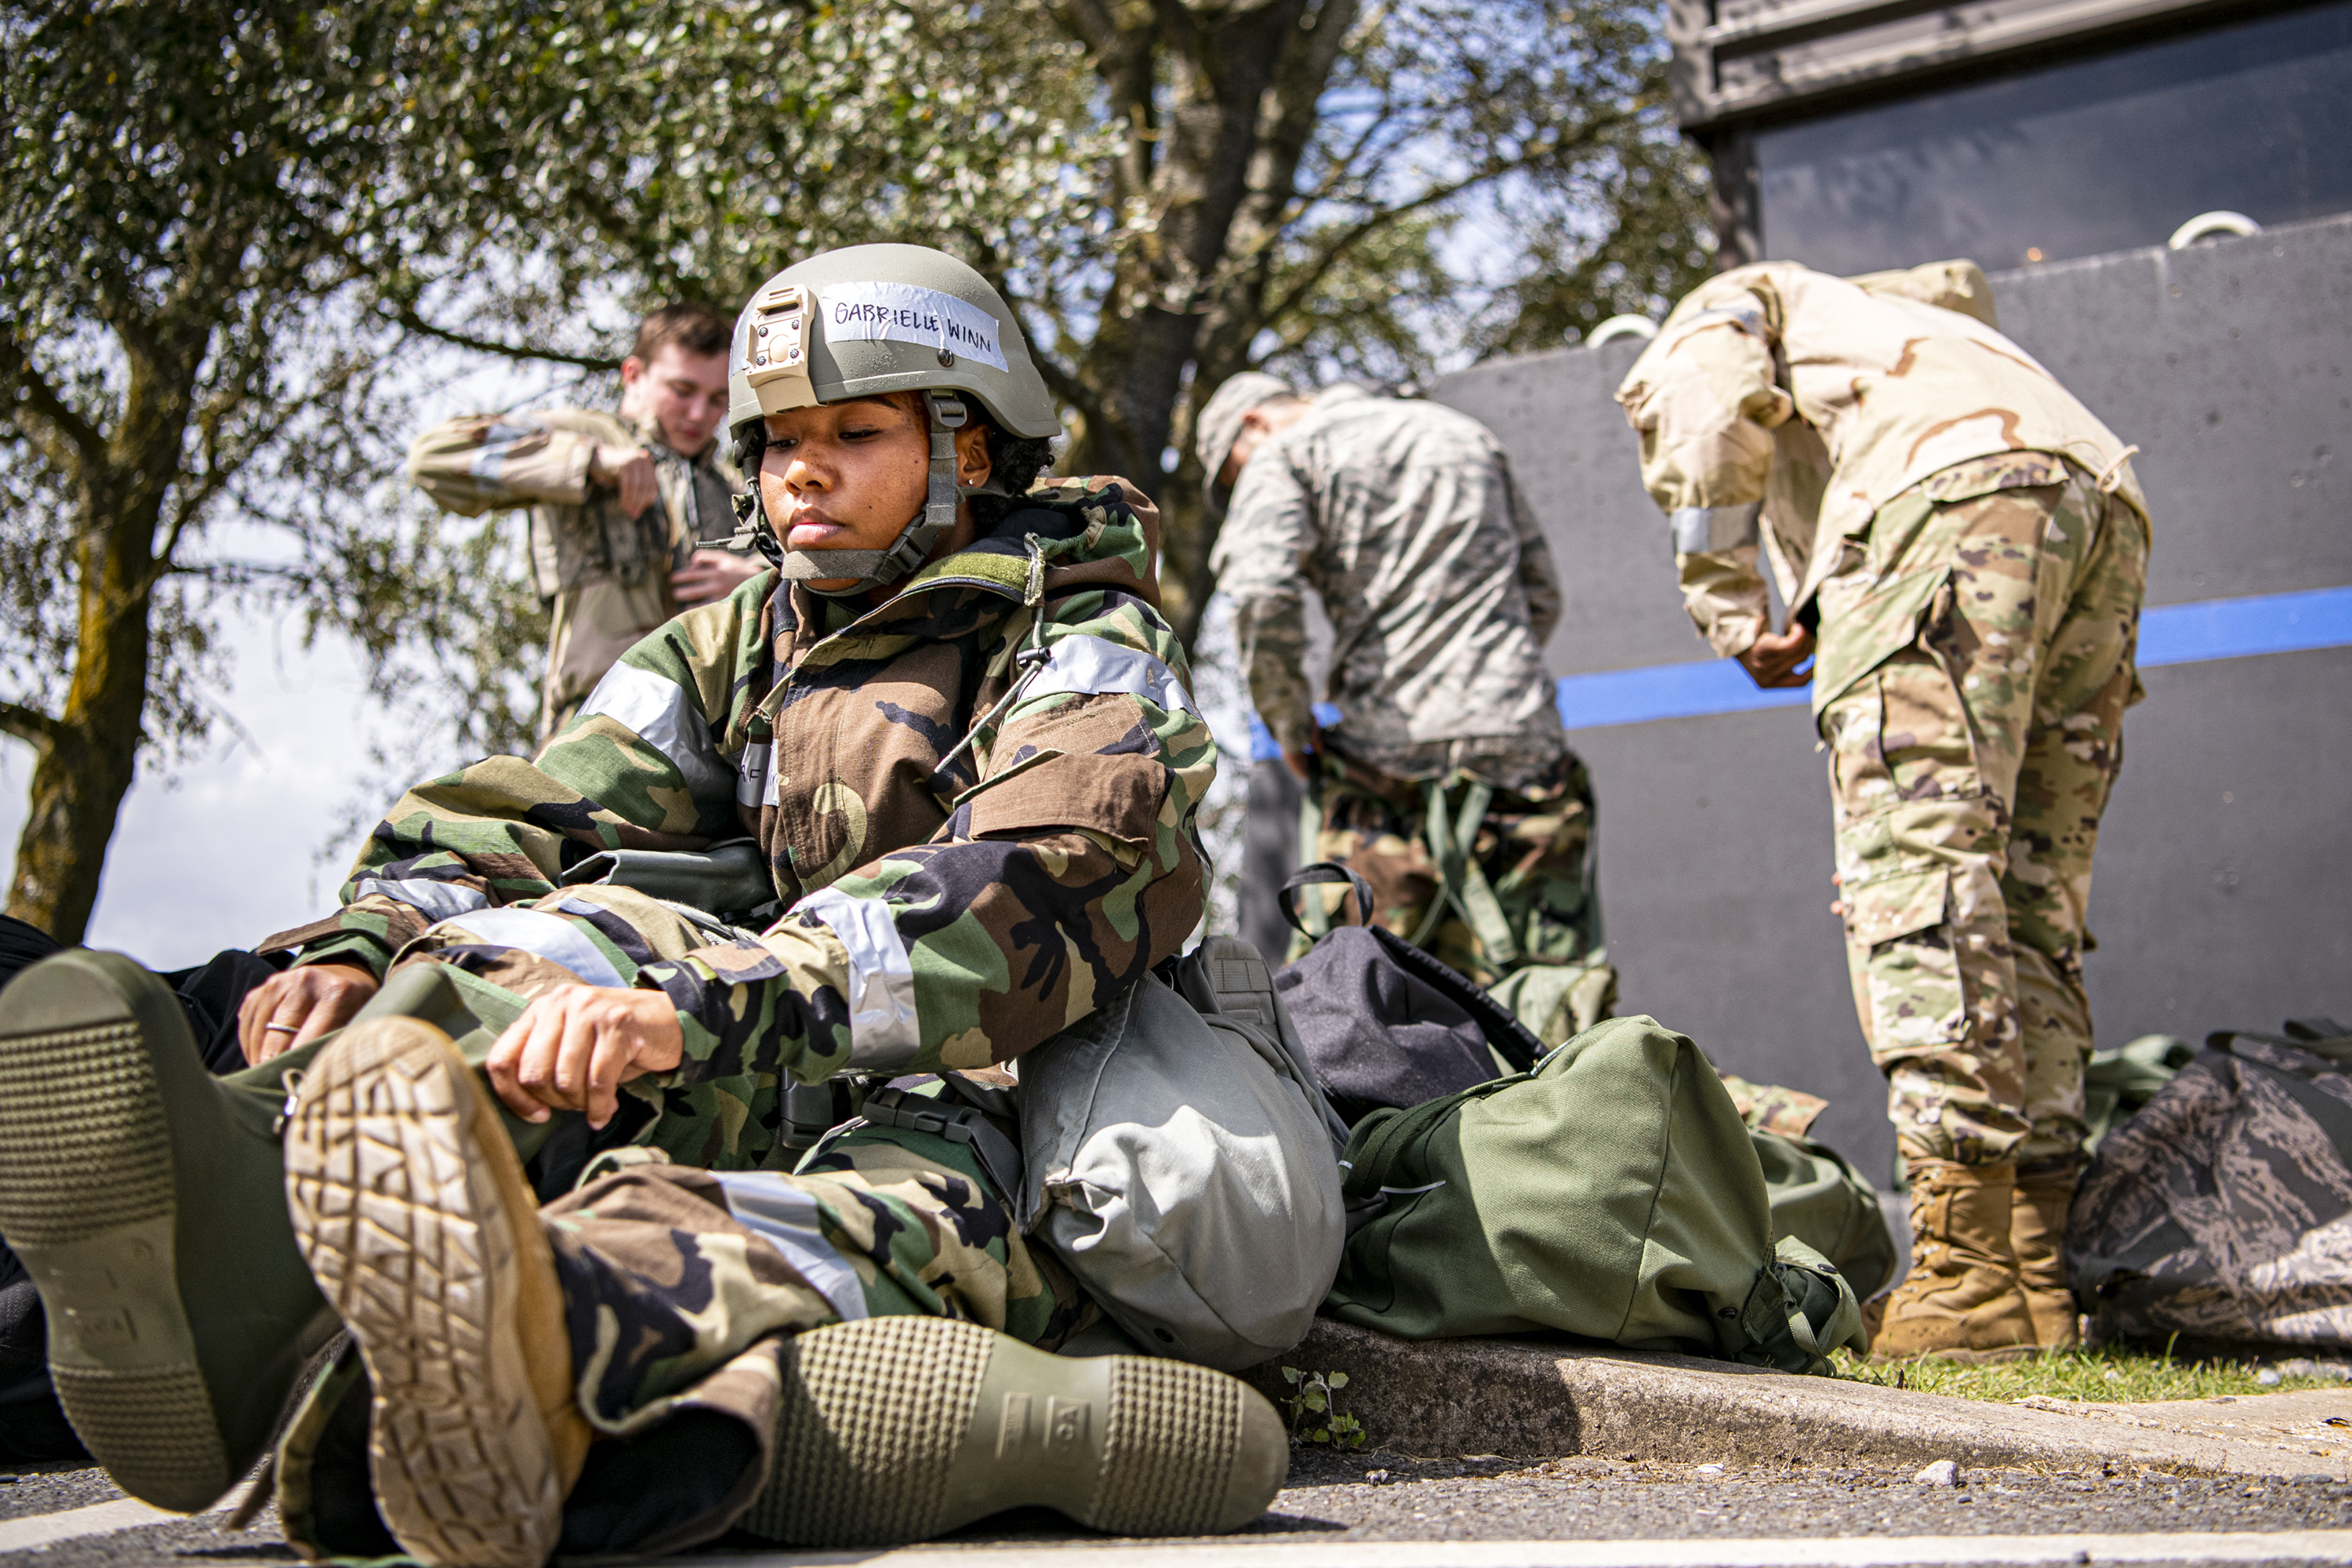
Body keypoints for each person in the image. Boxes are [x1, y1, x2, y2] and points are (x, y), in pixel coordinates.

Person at [0, 245, 1285, 1562]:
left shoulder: (1085, 639)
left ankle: (542, 1340)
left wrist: (694, 1008)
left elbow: (1036, 881)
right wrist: (360, 942)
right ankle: (257, 1213)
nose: (801, 472)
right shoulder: (746, 637)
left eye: (854, 433)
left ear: (971, 449)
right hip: (784, 1051)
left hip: (1011, 1096)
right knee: (569, 938)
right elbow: (542, 807)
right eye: (779, 440)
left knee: (901, 1205)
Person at [1616, 259, 2151, 1360]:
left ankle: (1967, 1275)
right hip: (2100, 500)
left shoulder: (1749, 298)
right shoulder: (1907, 332)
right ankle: (2035, 1273)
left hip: (1937, 505)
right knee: (2027, 900)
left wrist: (1728, 602)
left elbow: (1698, 400)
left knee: (1916, 878)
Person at [1200, 374, 1613, 1044]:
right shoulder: (1462, 434)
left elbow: (1261, 593)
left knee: (1362, 1008)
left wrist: (1290, 723)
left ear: (1254, 424)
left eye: (1232, 474)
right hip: (1520, 746)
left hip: (1383, 765)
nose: (1240, 486)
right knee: (1553, 1005)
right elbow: (1540, 592)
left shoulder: (1289, 453)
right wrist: (1487, 684)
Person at [409, 302, 766, 743]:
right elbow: (433, 457)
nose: (698, 414)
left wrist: (750, 582)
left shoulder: (739, 487)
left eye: (716, 400)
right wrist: (588, 460)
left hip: (712, 737)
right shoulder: (583, 435)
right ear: (633, 375)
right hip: (597, 723)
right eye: (682, 390)